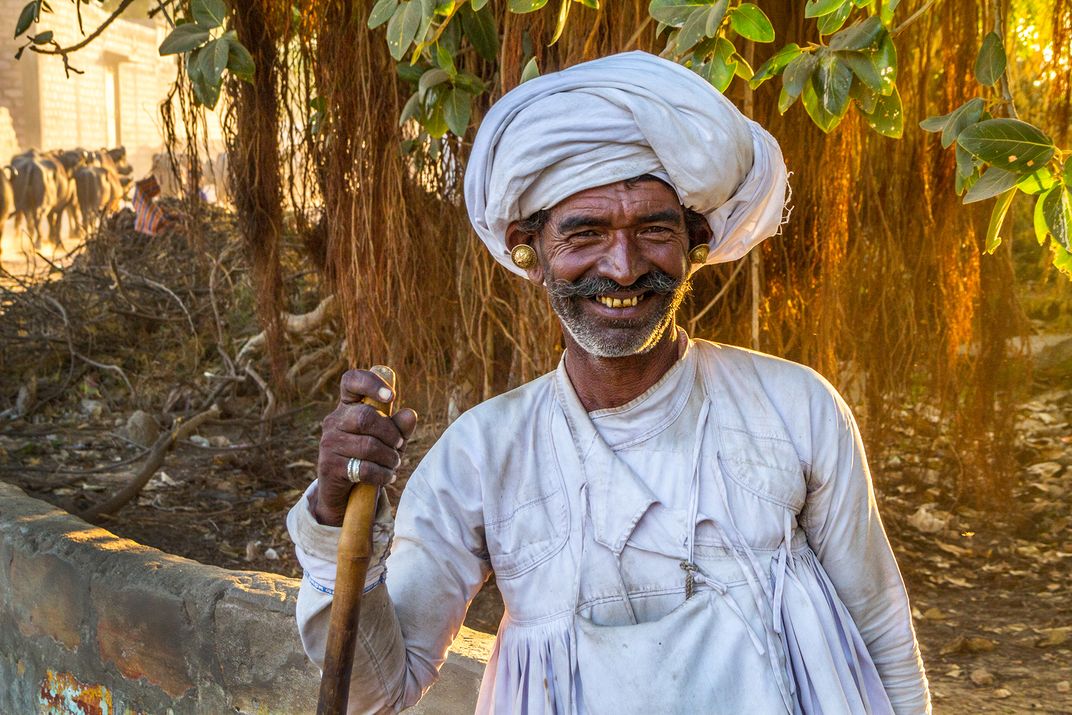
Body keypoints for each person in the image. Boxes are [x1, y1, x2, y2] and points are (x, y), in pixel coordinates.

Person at [287, 51, 931, 714]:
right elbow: (377, 689)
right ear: (529, 252)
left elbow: (878, 623)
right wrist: (334, 516)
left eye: (653, 229)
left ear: (696, 242)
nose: (623, 268)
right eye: (585, 233)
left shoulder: (794, 408)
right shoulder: (483, 453)